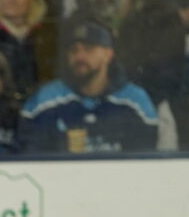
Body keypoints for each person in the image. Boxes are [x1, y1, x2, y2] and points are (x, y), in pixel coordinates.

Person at [20, 14, 158, 154]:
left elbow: (142, 164)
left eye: (89, 49)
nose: (80, 56)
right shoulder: (45, 100)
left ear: (108, 55)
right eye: (74, 50)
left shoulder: (135, 101)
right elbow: (32, 162)